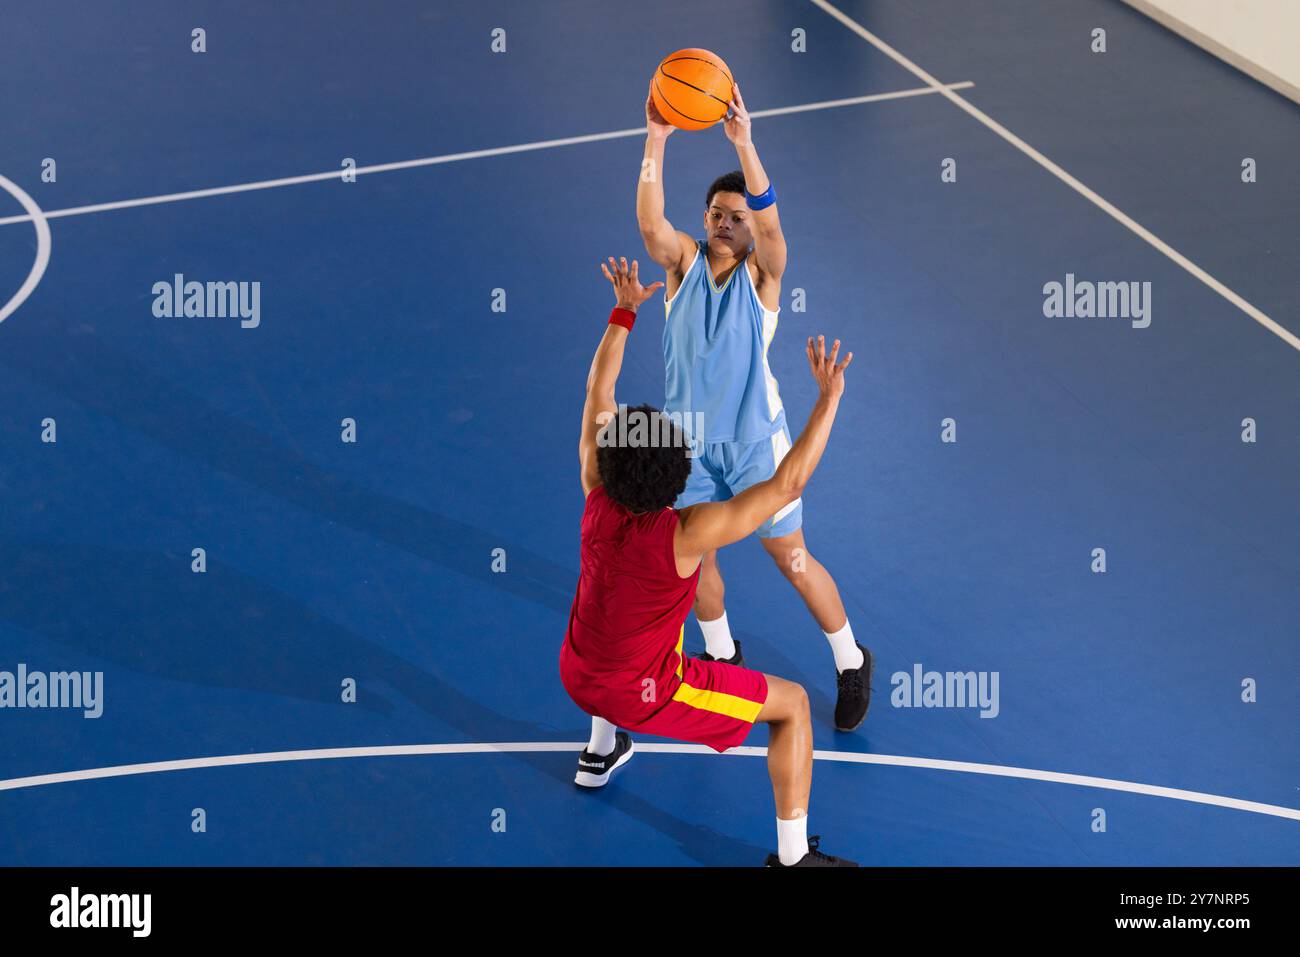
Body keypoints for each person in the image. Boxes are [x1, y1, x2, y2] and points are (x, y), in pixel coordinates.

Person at [559, 255, 856, 866]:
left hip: (575, 670)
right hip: (641, 691)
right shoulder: (687, 533)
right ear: (676, 474)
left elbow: (598, 391)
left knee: (615, 630)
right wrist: (827, 401)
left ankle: (600, 748)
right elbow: (786, 485)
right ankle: (794, 860)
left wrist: (623, 311)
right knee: (794, 705)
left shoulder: (594, 488)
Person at [634, 79, 873, 733]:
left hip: (755, 450)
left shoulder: (762, 279)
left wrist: (744, 143)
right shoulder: (680, 265)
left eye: (736, 215)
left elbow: (771, 226)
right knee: (695, 563)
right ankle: (720, 654)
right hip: (688, 450)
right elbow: (652, 223)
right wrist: (655, 139)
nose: (725, 221)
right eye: (716, 212)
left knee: (792, 560)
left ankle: (851, 660)